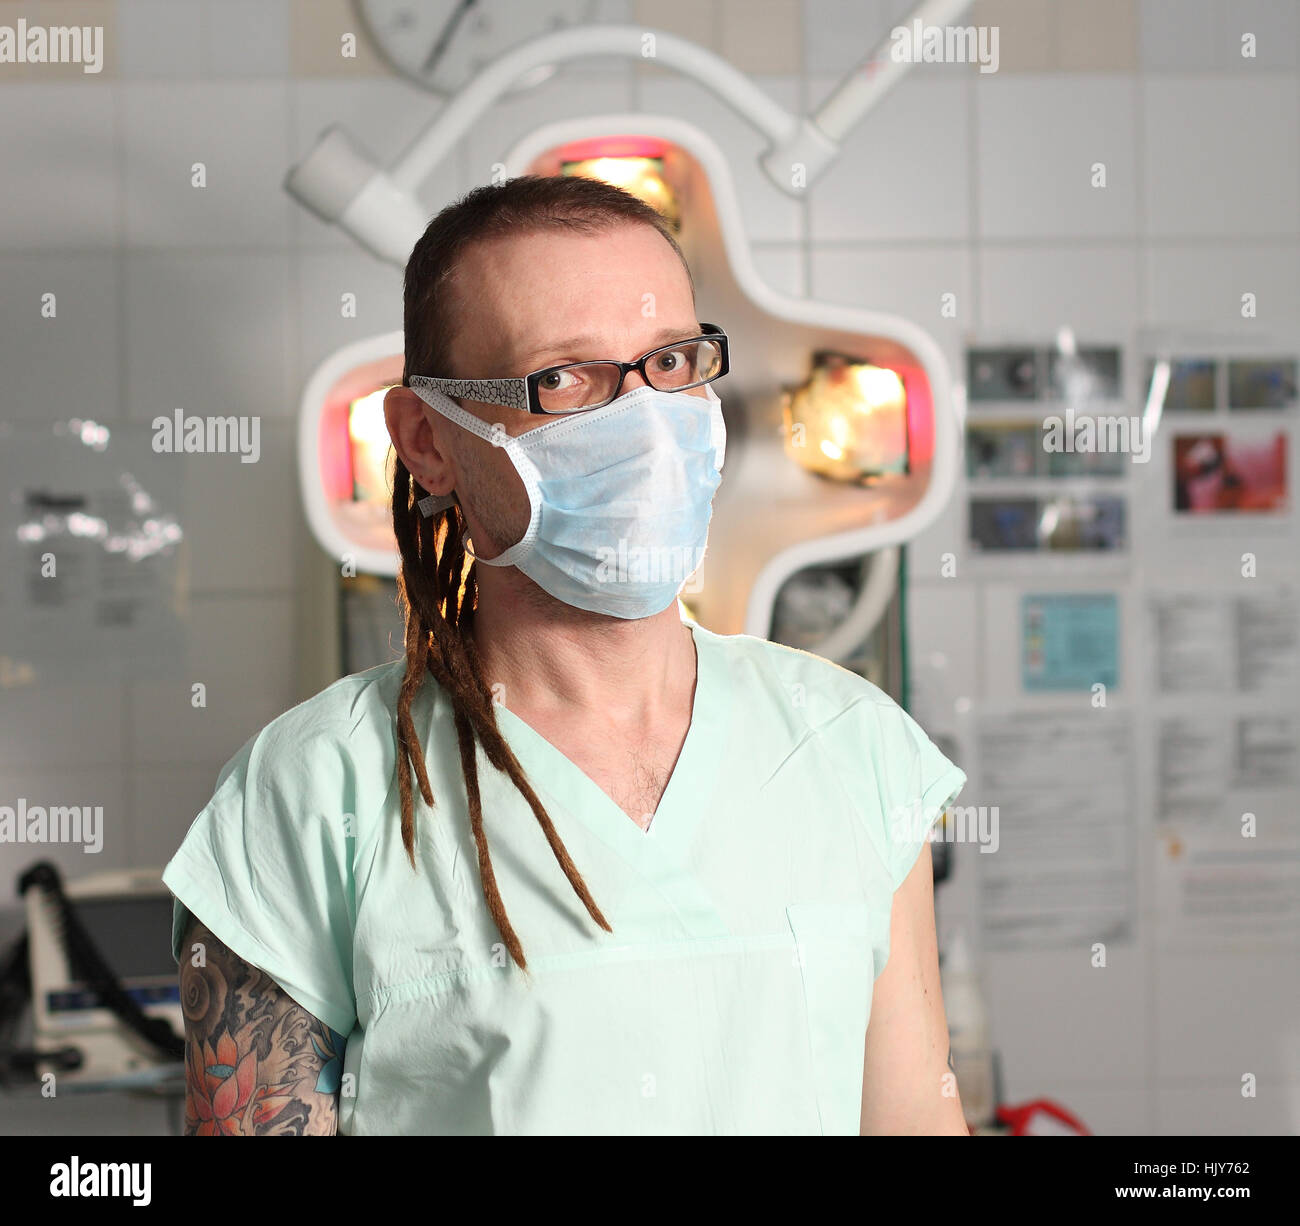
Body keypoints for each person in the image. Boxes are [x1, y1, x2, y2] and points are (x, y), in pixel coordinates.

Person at [164, 173, 969, 1136]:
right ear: (428, 440)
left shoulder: (854, 749)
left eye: (670, 362)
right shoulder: (311, 796)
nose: (646, 422)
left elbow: (914, 1118)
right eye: (566, 379)